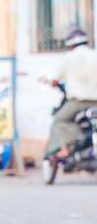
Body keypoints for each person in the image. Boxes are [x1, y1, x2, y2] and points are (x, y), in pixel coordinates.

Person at [44, 29, 97, 161]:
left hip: (78, 102)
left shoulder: (68, 58)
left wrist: (50, 81)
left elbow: (54, 78)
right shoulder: (95, 55)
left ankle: (65, 149)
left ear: (70, 45)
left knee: (59, 120)